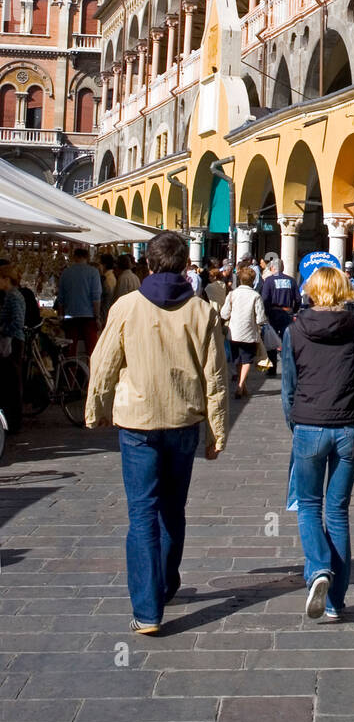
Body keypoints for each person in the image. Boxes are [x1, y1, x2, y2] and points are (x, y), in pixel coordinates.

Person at [85, 230, 228, 635]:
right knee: (172, 507)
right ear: (186, 265)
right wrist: (217, 430)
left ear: (149, 264)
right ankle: (165, 583)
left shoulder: (127, 306)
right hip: (183, 419)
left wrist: (95, 408)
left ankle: (147, 610)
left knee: (142, 512)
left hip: (137, 420)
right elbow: (215, 375)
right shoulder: (201, 310)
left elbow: (104, 361)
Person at [281, 265, 354, 621]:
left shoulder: (294, 331)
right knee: (337, 511)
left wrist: (292, 422)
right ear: (344, 291)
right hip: (348, 428)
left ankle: (319, 569)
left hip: (308, 424)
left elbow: (288, 386)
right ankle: (337, 603)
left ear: (311, 291)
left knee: (309, 505)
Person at [220, 265, 267, 400]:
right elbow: (260, 317)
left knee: (237, 359)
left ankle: (242, 385)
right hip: (248, 332)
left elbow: (224, 313)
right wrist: (262, 323)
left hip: (234, 332)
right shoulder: (255, 295)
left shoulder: (232, 294)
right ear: (252, 280)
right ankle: (241, 386)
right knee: (247, 359)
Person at [56, 247, 102, 359]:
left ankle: (70, 373)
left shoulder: (66, 273)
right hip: (88, 316)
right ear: (87, 257)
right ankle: (92, 373)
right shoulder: (93, 272)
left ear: (74, 257)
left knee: (70, 348)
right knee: (91, 349)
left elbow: (60, 298)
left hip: (70, 315)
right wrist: (97, 317)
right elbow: (96, 297)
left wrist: (61, 316)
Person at [261, 257, 302, 374]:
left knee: (272, 341)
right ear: (282, 268)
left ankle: (272, 368)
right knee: (287, 341)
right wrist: (294, 310)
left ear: (273, 268)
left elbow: (265, 299)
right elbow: (298, 299)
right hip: (287, 313)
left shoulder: (268, 281)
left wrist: (266, 313)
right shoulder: (291, 280)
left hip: (273, 313)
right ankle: (288, 368)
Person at [0, 262, 27, 434]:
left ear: (6, 279)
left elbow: (17, 322)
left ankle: (14, 421)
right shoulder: (11, 295)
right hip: (14, 340)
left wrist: (2, 330)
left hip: (13, 342)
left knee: (11, 382)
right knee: (11, 382)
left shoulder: (13, 296)